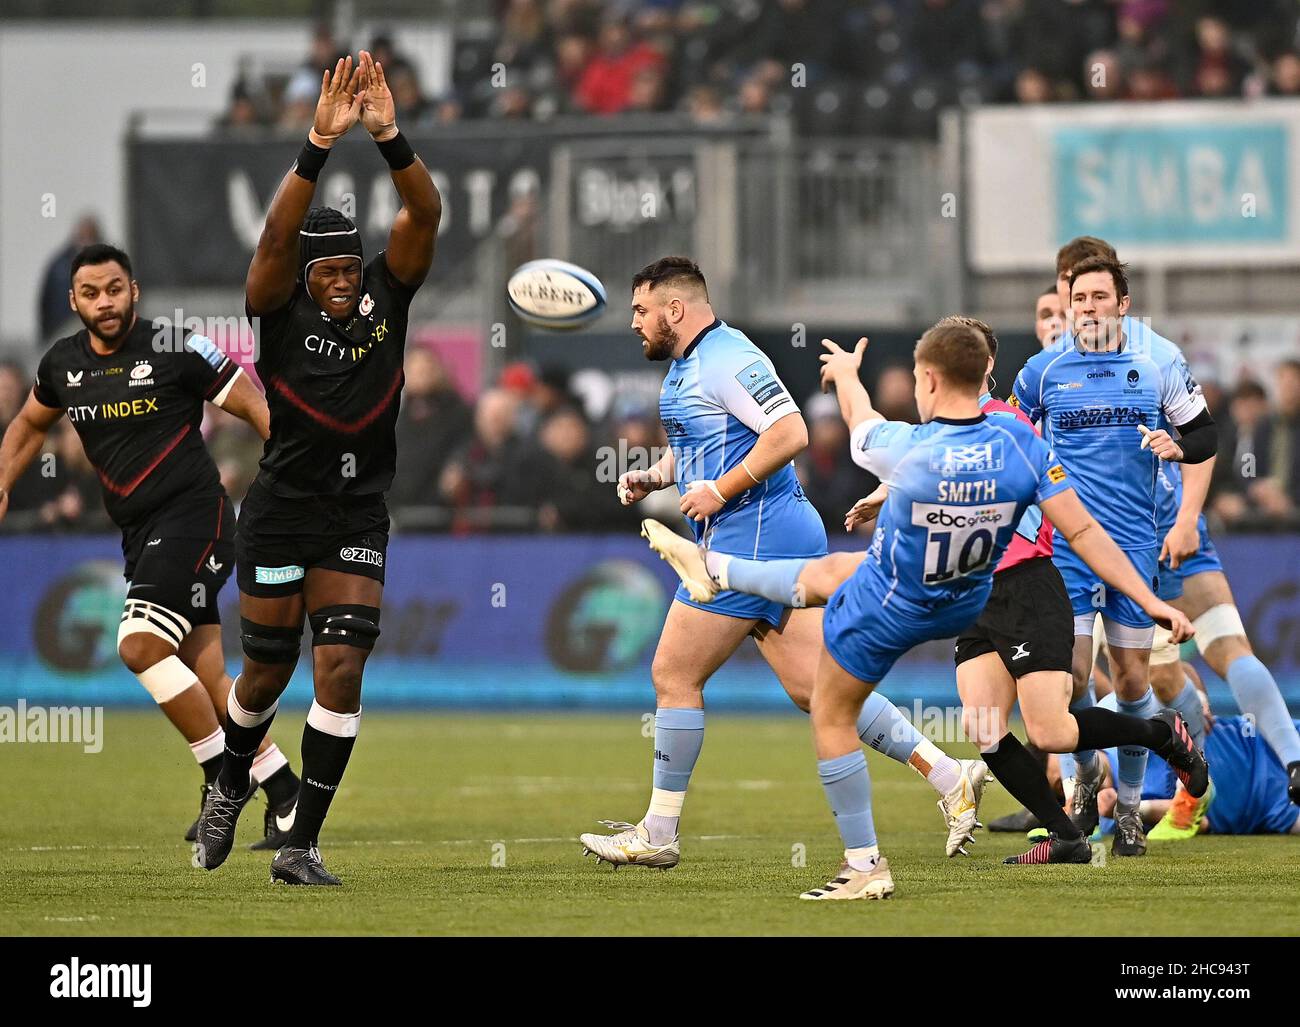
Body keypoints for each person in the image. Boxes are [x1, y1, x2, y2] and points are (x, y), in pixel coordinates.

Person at [645, 322, 1201, 898]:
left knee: (830, 655)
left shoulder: (910, 444)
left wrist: (846, 380)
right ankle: (1062, 829)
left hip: (913, 596)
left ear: (928, 380)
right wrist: (1150, 600)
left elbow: (860, 428)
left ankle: (864, 867)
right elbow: (1083, 531)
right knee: (966, 708)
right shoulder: (1023, 446)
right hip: (971, 597)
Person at [580, 259, 986, 871]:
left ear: (676, 309)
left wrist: (719, 492)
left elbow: (790, 431)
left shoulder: (728, 356)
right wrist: (658, 475)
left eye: (641, 310)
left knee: (673, 674)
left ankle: (659, 831)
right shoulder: (689, 366)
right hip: (768, 532)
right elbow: (708, 446)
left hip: (753, 538)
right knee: (818, 688)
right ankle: (949, 774)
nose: (634, 322)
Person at [192, 52, 441, 886]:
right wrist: (317, 145)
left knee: (342, 664)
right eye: (325, 271)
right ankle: (230, 780)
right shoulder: (274, 304)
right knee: (266, 668)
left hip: (357, 510)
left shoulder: (389, 291)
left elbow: (426, 212)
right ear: (302, 278)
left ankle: (300, 843)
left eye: (347, 268)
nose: (339, 283)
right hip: (282, 505)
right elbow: (270, 238)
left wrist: (391, 137)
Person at [0, 242, 300, 847]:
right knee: (206, 674)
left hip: (196, 518)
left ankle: (224, 778)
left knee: (138, 646)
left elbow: (249, 398)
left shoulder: (177, 345)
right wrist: (3, 481)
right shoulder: (61, 363)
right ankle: (285, 790)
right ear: (73, 300)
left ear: (133, 291)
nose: (104, 302)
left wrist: (296, 470)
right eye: (90, 293)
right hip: (141, 534)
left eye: (114, 289)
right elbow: (32, 422)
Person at [1011, 255, 1218, 857]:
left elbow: (1207, 435)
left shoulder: (1153, 368)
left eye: (1101, 298)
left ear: (1123, 305)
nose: (1089, 308)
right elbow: (1006, 439)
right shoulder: (1042, 372)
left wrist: (1174, 446)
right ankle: (1085, 774)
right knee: (1071, 677)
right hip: (1066, 551)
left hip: (1132, 546)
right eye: (1080, 298)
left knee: (1131, 681)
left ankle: (1127, 814)